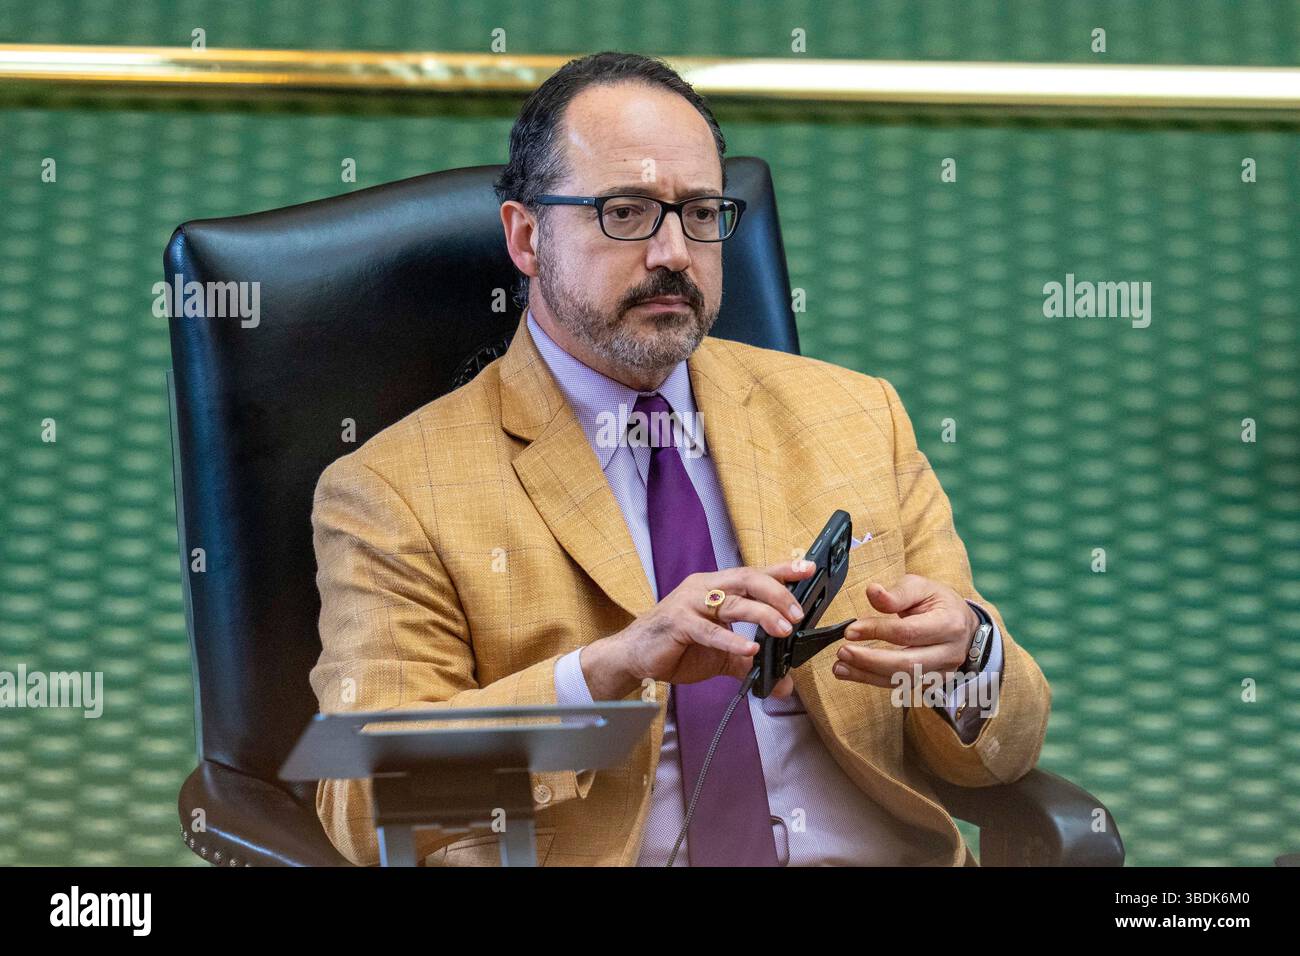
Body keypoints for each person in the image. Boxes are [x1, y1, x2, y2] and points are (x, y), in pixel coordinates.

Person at [309, 50, 1050, 867]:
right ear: (526, 237)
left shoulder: (855, 416)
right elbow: (367, 800)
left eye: (700, 213)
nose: (673, 252)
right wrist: (607, 670)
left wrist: (970, 657)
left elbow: (1002, 753)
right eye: (625, 212)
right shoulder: (392, 490)